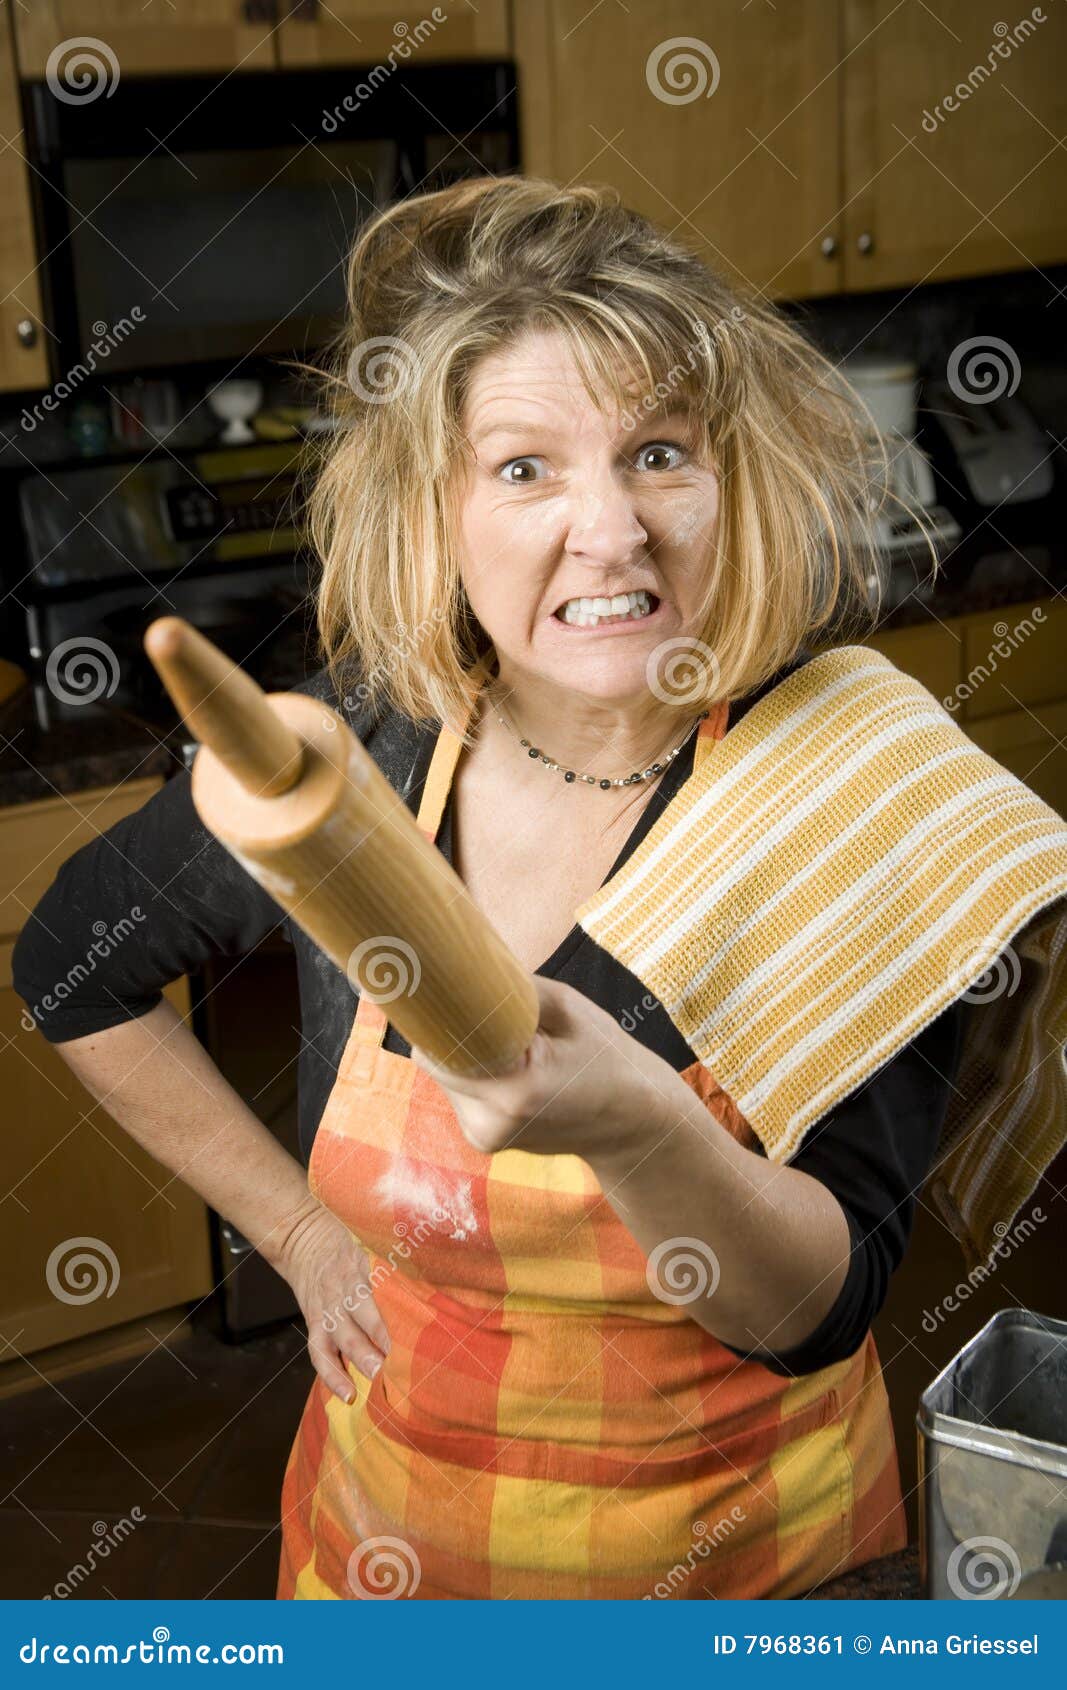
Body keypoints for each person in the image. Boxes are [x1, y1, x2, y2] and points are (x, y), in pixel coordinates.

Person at [14, 176, 969, 1600]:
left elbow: (814, 1309)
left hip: (747, 1559)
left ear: (738, 482)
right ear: (438, 513)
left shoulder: (849, 785)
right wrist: (295, 1231)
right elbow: (69, 963)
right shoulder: (356, 764)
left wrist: (645, 1132)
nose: (610, 530)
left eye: (660, 452)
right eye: (524, 467)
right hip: (405, 1542)